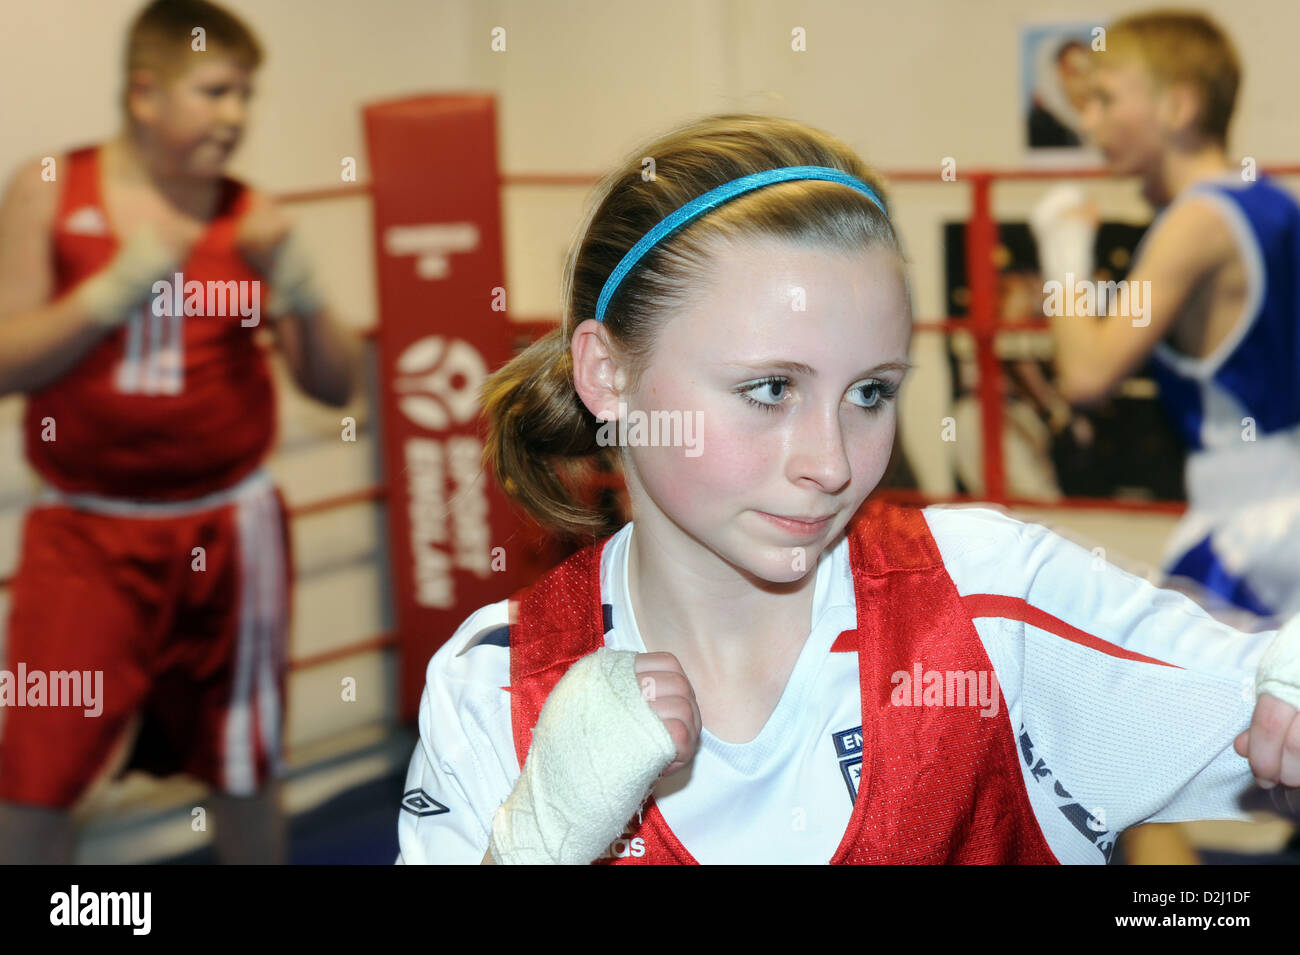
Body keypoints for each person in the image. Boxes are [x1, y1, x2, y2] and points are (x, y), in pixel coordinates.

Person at [396, 113, 1300, 866]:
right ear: (606, 375)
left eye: (870, 392)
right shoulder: (495, 686)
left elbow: (1269, 700)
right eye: (770, 389)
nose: (831, 462)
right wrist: (537, 843)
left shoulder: (991, 607)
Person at [0, 0, 358, 863]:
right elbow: (6, 359)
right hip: (87, 536)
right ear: (145, 94)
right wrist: (104, 293)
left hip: (227, 531)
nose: (236, 116)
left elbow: (337, 387)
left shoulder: (251, 217)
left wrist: (304, 289)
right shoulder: (53, 187)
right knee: (36, 768)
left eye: (246, 94)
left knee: (244, 763)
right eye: (215, 91)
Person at [1030, 10, 1300, 864]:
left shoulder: (1197, 219)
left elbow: (1087, 371)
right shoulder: (1271, 203)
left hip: (1255, 523)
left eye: (1109, 97)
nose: (1091, 120)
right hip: (1274, 502)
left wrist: (1064, 257)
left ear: (1180, 106)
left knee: (1117, 739)